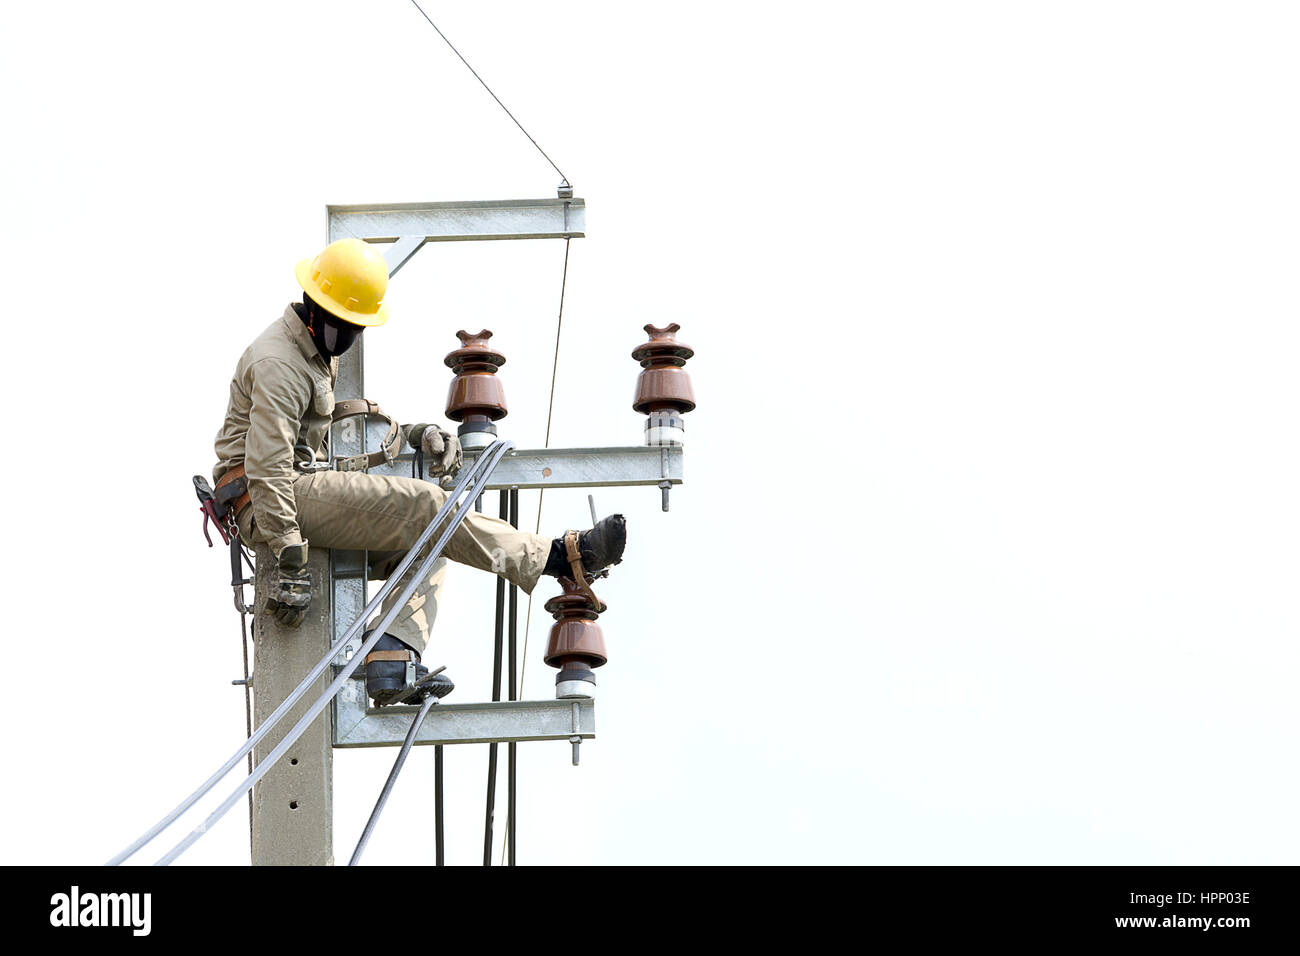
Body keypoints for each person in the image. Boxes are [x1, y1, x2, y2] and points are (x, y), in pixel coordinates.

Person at [212, 238, 625, 704]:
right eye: (346, 324)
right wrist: (290, 559)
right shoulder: (279, 363)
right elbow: (268, 470)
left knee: (431, 543)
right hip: (270, 500)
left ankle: (393, 655)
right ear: (316, 308)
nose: (351, 336)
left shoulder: (312, 351)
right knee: (429, 506)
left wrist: (411, 434)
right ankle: (555, 557)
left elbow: (324, 428)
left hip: (292, 488)